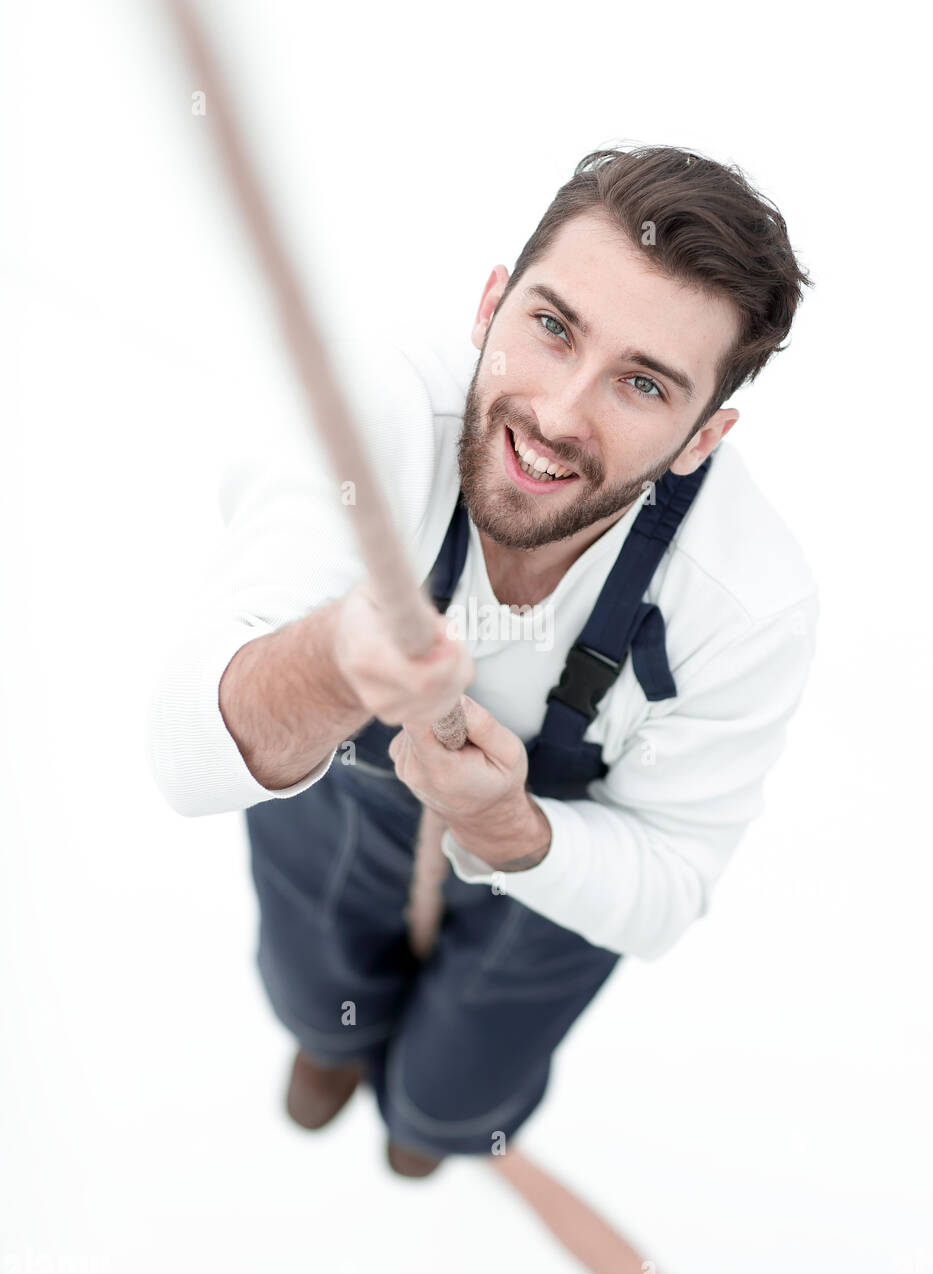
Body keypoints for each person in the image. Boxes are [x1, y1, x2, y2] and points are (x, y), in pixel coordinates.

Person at [145, 144, 820, 1178]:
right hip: (339, 804)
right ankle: (332, 1039)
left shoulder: (745, 602)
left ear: (701, 437)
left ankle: (429, 1120)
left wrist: (510, 826)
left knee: (460, 1084)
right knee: (309, 973)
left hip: (552, 875)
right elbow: (186, 756)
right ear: (491, 304)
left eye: (641, 383)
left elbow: (669, 883)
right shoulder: (364, 423)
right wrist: (336, 663)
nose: (556, 415)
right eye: (551, 328)